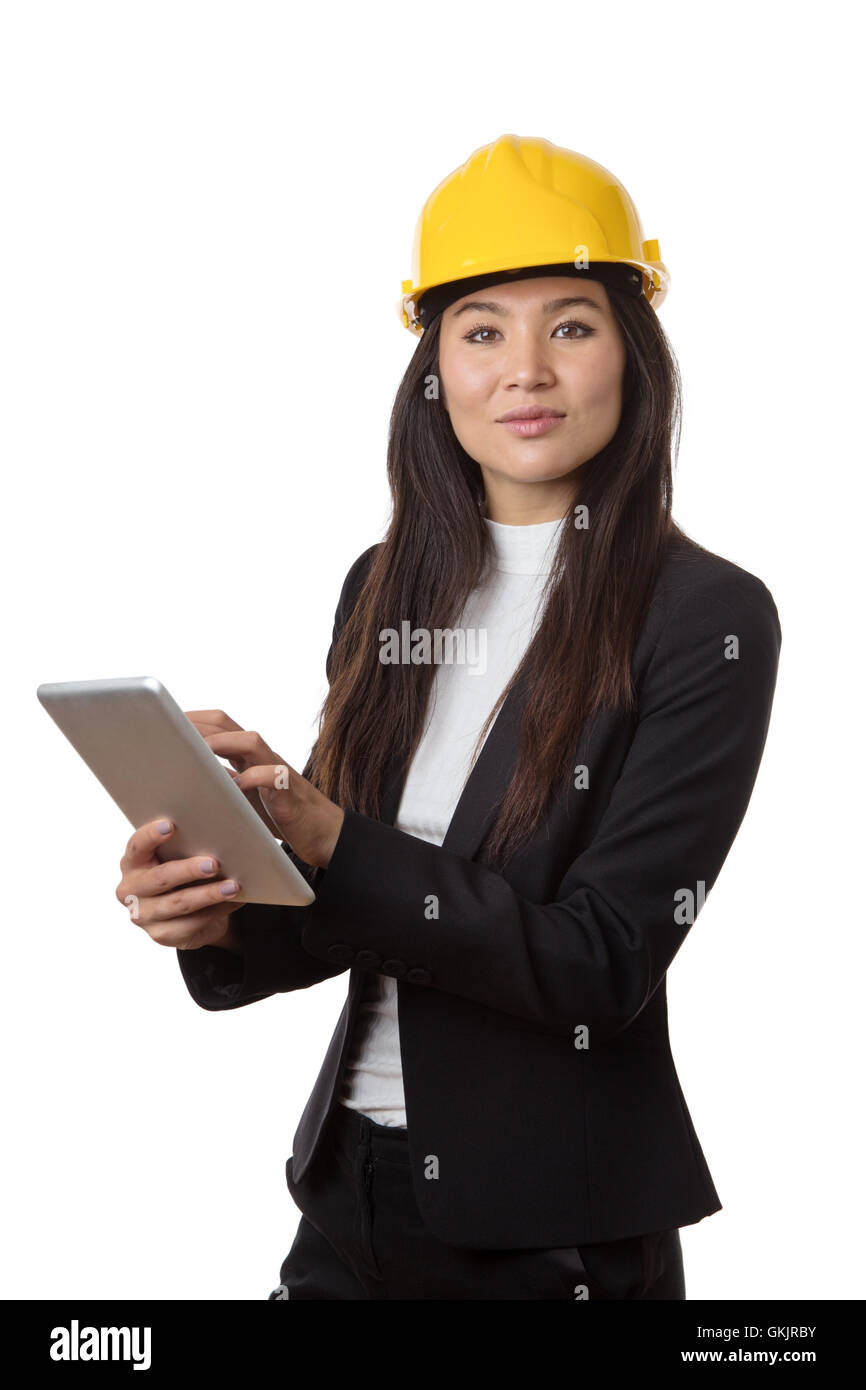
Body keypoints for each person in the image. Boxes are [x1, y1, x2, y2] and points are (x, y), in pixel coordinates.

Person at [115, 135, 782, 1300]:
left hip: (546, 1239)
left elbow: (600, 961)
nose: (524, 368)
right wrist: (225, 893)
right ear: (434, 369)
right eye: (480, 331)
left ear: (634, 354)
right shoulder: (384, 590)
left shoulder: (704, 616)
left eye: (570, 324)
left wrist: (332, 840)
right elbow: (346, 917)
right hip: (346, 1203)